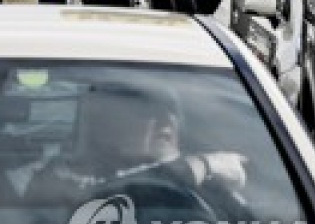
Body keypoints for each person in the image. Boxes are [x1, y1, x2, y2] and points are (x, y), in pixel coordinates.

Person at [22, 83, 247, 204]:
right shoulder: (61, 175)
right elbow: (104, 197)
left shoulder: (208, 189)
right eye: (149, 112)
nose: (165, 121)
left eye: (171, 111)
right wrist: (197, 167)